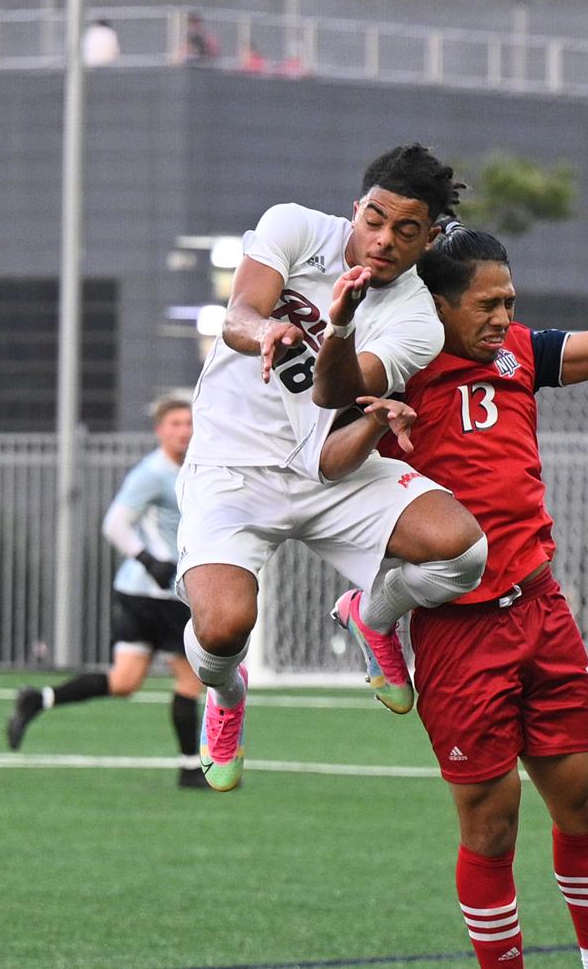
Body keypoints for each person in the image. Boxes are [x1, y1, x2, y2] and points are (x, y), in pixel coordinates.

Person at [331, 225, 588, 969]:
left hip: (541, 610)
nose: (501, 317)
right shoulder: (391, 370)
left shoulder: (520, 352)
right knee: (490, 825)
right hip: (456, 630)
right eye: (488, 304)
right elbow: (326, 450)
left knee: (584, 801)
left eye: (510, 300)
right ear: (437, 307)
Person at [178, 142, 490, 791]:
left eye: (406, 231)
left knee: (462, 551)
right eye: (374, 219)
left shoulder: (414, 318)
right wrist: (264, 330)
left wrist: (342, 328)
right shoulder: (292, 226)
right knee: (222, 626)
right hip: (231, 467)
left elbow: (332, 396)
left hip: (329, 472)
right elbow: (240, 311)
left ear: (428, 237)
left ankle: (371, 613)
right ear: (356, 209)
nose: (383, 240)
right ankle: (228, 696)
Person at [4, 392, 204, 788]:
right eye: (175, 424)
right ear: (159, 431)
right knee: (190, 680)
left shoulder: (193, 469)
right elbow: (114, 523)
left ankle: (38, 699)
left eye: (189, 423)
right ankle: (189, 768)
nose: (184, 431)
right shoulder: (153, 473)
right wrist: (150, 561)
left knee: (124, 682)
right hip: (158, 596)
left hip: (137, 593)